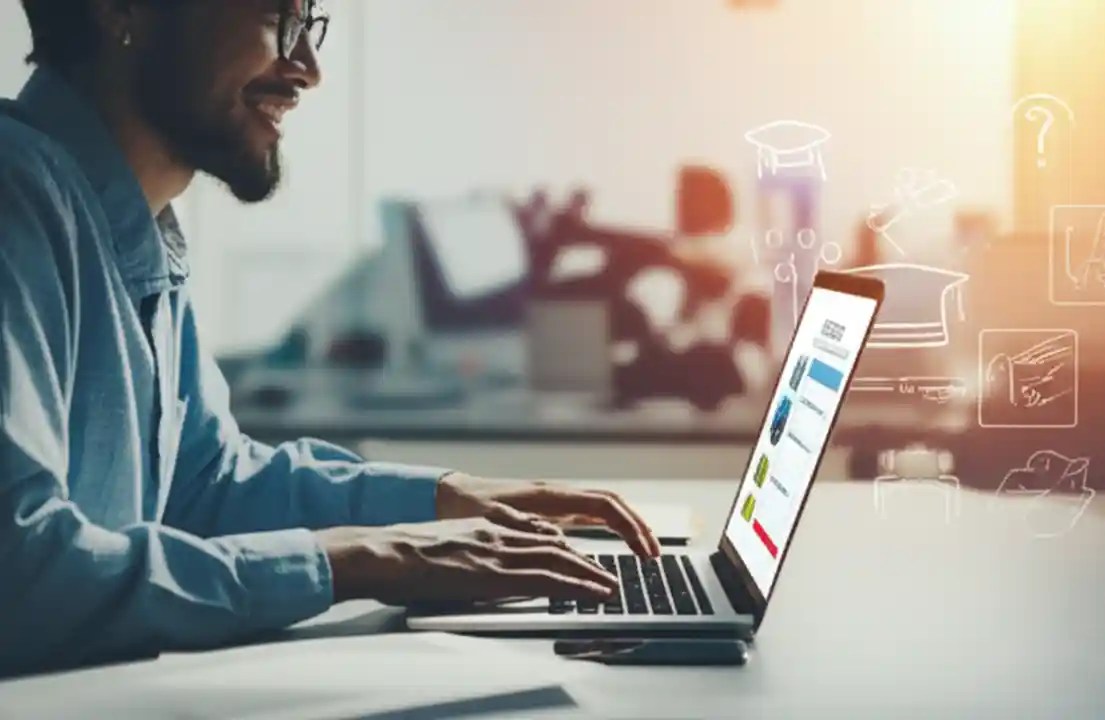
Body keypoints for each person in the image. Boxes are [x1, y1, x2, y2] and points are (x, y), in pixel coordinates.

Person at [0, 0, 660, 676]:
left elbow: (204, 486)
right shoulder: (14, 199)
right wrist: (364, 559)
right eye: (276, 20)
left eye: (308, 28)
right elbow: (20, 578)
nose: (307, 70)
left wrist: (441, 502)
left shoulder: (135, 228)